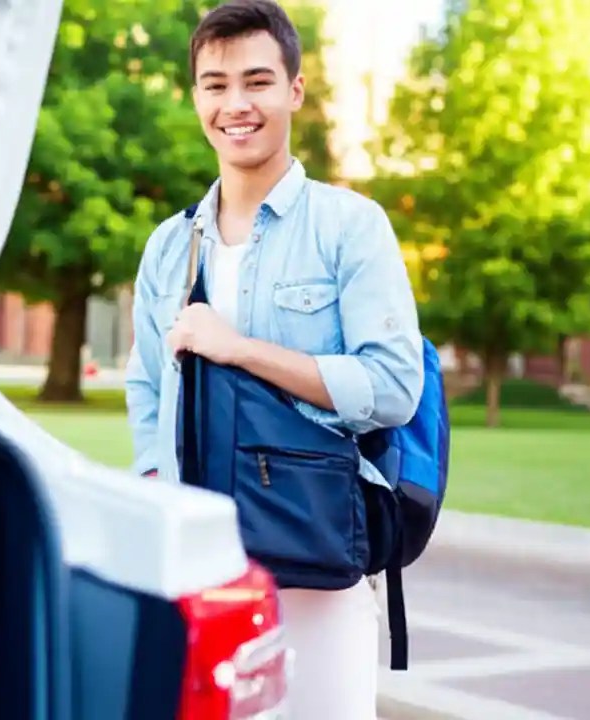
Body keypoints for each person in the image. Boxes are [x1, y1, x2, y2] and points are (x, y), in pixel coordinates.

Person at [124, 0, 425, 717]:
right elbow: (146, 390)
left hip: (313, 564)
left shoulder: (350, 226)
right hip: (203, 572)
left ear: (294, 90)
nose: (236, 104)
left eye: (257, 82)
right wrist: (160, 491)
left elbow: (392, 384)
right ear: (196, 95)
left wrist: (241, 350)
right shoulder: (169, 246)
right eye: (215, 84)